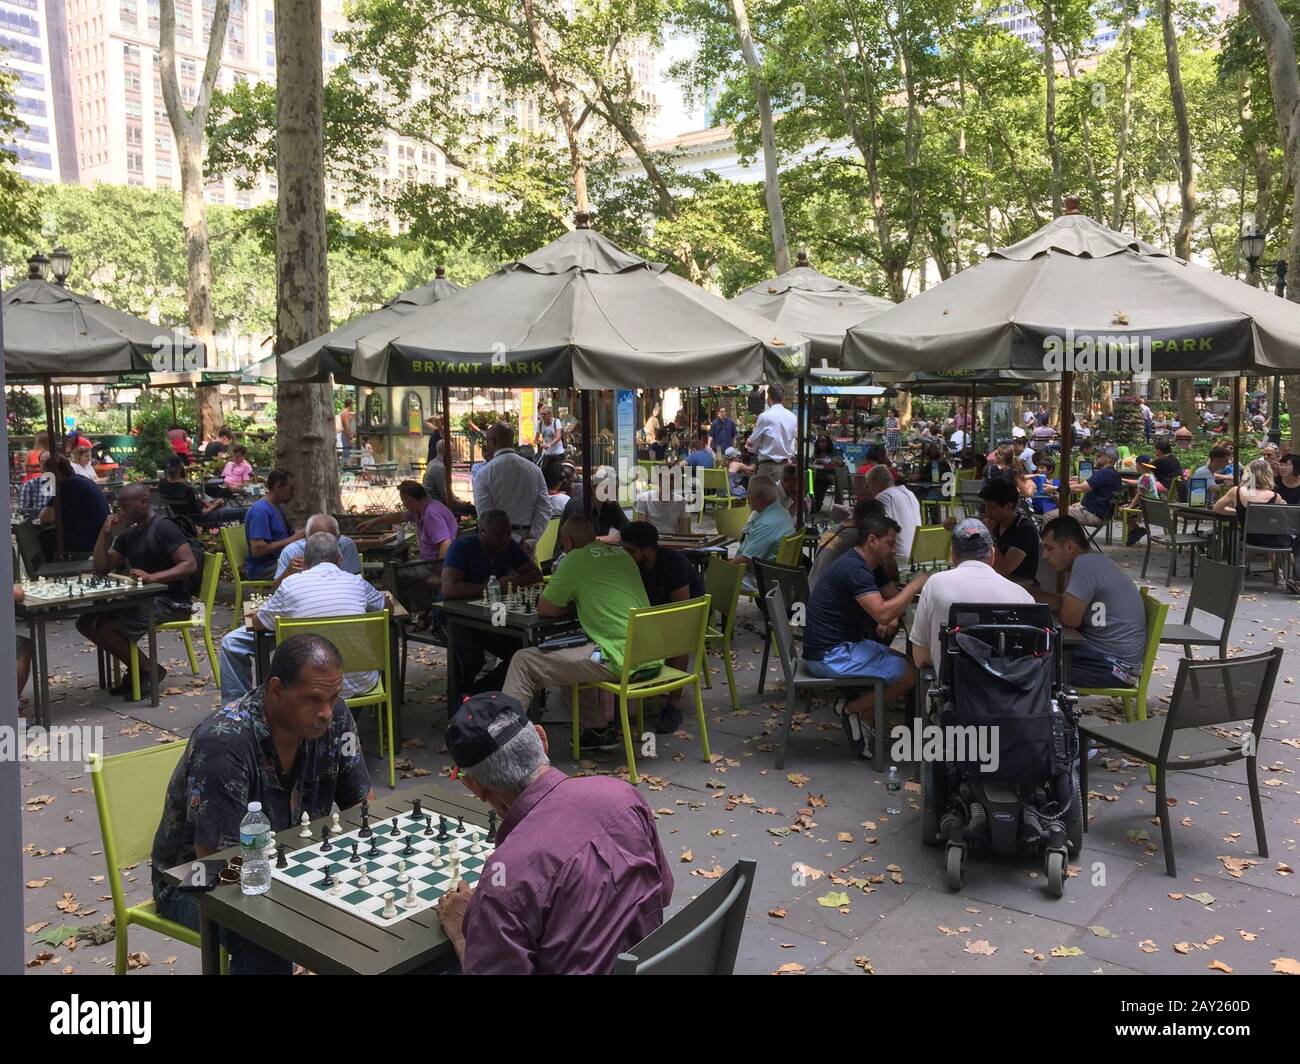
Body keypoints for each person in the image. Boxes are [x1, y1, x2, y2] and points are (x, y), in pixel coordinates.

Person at [153, 635, 373, 975]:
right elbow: (215, 862)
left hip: (294, 864)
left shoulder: (336, 719)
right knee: (264, 937)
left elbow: (361, 808)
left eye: (334, 697)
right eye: (313, 699)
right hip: (193, 881)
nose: (326, 712)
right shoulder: (224, 743)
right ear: (275, 690)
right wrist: (302, 904)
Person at [434, 692, 672, 974]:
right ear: (541, 739)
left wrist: (465, 934)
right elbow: (663, 893)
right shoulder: (623, 796)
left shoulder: (504, 880)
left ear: (474, 787)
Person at [503, 516, 651, 749]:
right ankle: (598, 731)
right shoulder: (622, 554)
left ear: (568, 543)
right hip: (648, 651)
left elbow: (546, 608)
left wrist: (570, 602)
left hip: (617, 657)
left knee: (523, 661)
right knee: (565, 652)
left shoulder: (574, 561)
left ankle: (506, 742)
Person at [801, 515, 928, 758]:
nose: (894, 549)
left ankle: (863, 726)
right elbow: (882, 612)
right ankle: (851, 709)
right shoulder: (855, 569)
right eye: (890, 543)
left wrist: (894, 610)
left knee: (906, 665)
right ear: (872, 540)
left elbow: (891, 600)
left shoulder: (868, 565)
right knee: (911, 672)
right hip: (829, 655)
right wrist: (914, 586)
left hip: (840, 647)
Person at [219, 532, 388, 702]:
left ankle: (237, 711)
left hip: (303, 687)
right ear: (339, 559)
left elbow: (257, 624)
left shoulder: (290, 585)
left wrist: (256, 610)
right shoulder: (358, 582)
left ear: (304, 562)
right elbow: (388, 607)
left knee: (231, 641)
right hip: (361, 683)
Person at [80, 484, 197, 698]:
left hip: (171, 601)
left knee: (107, 627)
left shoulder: (164, 528)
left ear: (144, 503)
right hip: (143, 599)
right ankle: (139, 669)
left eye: (125, 506)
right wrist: (104, 534)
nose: (121, 511)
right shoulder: (130, 533)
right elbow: (102, 566)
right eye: (118, 506)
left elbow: (189, 564)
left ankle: (148, 670)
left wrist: (153, 577)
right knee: (87, 621)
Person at [1036, 515, 1147, 688]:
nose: (1044, 555)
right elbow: (1066, 604)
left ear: (1070, 547)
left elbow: (1069, 619)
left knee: (1034, 668)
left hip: (1115, 667)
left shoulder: (1085, 564)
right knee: (1039, 656)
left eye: (1049, 548)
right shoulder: (1094, 561)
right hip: (1110, 659)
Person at [910, 518, 1036, 668]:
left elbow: (921, 658)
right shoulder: (1022, 596)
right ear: (993, 555)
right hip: (1006, 688)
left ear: (952, 555)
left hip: (953, 690)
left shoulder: (935, 584)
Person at [440, 509, 542, 693]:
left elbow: (535, 574)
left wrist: (513, 582)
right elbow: (448, 590)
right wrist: (491, 587)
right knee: (469, 659)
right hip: (452, 617)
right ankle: (459, 702)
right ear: (482, 532)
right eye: (499, 534)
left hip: (492, 616)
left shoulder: (508, 545)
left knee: (524, 652)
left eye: (508, 533)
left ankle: (477, 695)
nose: (505, 539)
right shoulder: (462, 547)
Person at [620, 522, 704, 733]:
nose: (625, 555)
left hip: (690, 616)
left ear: (648, 550)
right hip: (657, 614)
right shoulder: (635, 565)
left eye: (630, 551)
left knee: (677, 642)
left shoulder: (673, 564)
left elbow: (681, 612)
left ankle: (673, 704)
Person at [472, 422, 551, 547]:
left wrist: (512, 540)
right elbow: (544, 509)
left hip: (498, 544)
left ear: (493, 441)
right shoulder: (534, 470)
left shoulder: (485, 473)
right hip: (527, 541)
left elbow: (484, 516)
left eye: (487, 441)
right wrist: (530, 541)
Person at [728, 475, 795, 591]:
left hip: (763, 578)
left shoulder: (767, 524)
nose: (747, 497)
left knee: (707, 577)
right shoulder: (782, 512)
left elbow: (746, 560)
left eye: (749, 493)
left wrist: (724, 566)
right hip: (775, 571)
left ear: (759, 497)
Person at [1214, 458, 1294, 554]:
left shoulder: (1236, 491)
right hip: (1271, 541)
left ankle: (1246, 566)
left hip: (1248, 539)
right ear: (1268, 475)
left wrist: (1239, 512)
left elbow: (1217, 508)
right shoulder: (1275, 496)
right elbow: (1284, 522)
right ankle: (1286, 568)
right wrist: (1283, 506)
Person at [809, 498, 888, 591]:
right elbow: (884, 571)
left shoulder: (833, 530)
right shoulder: (856, 538)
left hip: (811, 590)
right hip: (827, 598)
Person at [34, 456, 107, 553]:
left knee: (40, 538)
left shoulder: (65, 486)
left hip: (86, 541)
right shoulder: (81, 480)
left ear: (56, 473)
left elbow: (45, 518)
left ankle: (50, 567)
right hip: (98, 536)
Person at [978, 476, 1041, 585]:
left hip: (1022, 589)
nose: (987, 512)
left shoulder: (1025, 529)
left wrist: (988, 536)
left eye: (991, 507)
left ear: (1008, 506)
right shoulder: (994, 524)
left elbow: (1004, 570)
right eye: (985, 507)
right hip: (994, 585)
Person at [273, 513, 361, 588]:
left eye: (329, 540)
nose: (323, 545)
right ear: (306, 538)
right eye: (315, 540)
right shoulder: (292, 552)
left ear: (338, 537)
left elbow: (355, 585)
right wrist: (289, 571)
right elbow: (276, 590)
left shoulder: (345, 546)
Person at [244, 469, 304, 579]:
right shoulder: (261, 511)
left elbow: (281, 535)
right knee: (308, 569)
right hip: (263, 568)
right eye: (291, 488)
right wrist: (291, 540)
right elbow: (257, 549)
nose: (293, 492)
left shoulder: (278, 507)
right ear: (277, 486)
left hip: (278, 560)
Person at [863, 464, 921, 562]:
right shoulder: (910, 494)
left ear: (876, 481)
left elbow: (880, 530)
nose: (868, 490)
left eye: (868, 485)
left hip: (899, 557)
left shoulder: (883, 496)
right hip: (918, 553)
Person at [749, 383, 798, 493]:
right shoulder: (792, 417)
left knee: (763, 502)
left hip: (767, 468)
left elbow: (753, 445)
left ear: (769, 397)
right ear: (783, 397)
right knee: (783, 502)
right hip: (785, 468)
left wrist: (750, 445)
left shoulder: (765, 417)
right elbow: (793, 441)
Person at [561, 465, 631, 542]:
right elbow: (577, 541)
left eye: (616, 487)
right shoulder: (578, 504)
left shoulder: (611, 504)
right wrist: (611, 538)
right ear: (594, 488)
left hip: (595, 551)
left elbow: (628, 530)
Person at [157, 455, 225, 534]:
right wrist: (216, 505)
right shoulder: (187, 489)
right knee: (240, 512)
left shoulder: (162, 484)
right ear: (181, 468)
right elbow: (199, 515)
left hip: (176, 521)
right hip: (195, 523)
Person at [1066, 445, 1123, 528]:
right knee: (1063, 514)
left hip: (1093, 515)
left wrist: (1057, 489)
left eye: (1100, 455)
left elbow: (1081, 488)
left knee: (1051, 515)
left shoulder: (1104, 473)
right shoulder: (1112, 474)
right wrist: (1081, 503)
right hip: (1100, 514)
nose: (1097, 457)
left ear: (1109, 459)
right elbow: (1100, 494)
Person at [634, 462, 691, 534]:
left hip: (671, 541)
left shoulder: (682, 502)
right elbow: (641, 530)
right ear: (658, 480)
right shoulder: (644, 499)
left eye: (672, 478)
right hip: (649, 541)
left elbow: (683, 532)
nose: (669, 482)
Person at [19, 451, 55, 519]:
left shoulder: (64, 484)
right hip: (38, 526)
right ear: (40, 464)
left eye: (49, 462)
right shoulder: (30, 485)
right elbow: (24, 512)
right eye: (43, 462)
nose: (46, 465)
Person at [340, 397, 357, 462]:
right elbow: (347, 426)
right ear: (351, 404)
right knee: (347, 454)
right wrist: (350, 437)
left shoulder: (344, 412)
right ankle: (346, 468)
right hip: (346, 435)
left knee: (347, 452)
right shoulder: (345, 413)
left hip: (345, 435)